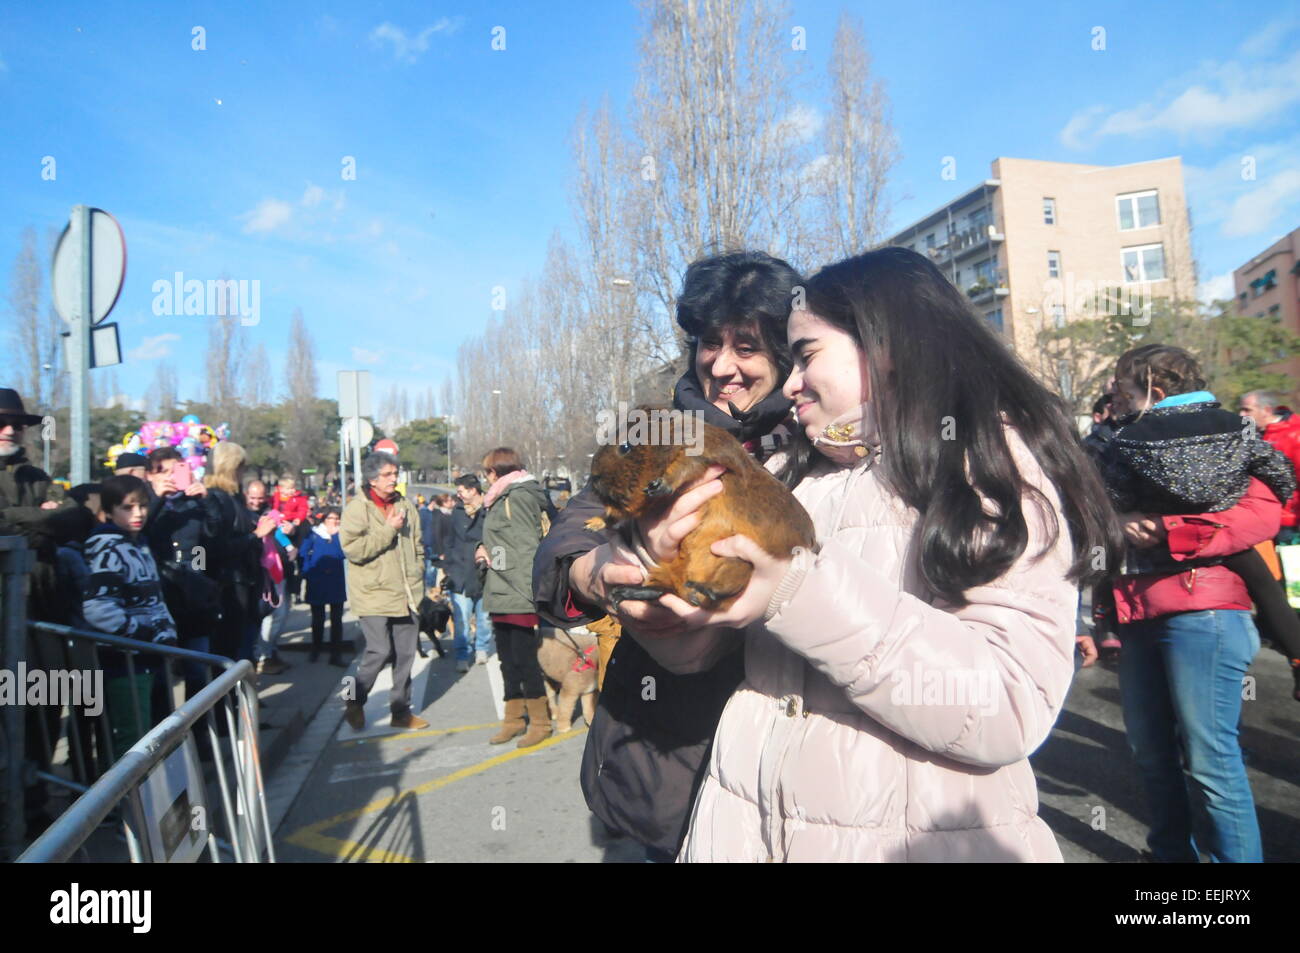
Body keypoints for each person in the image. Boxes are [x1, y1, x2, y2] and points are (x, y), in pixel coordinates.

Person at [594, 247, 1118, 862]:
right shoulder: (793, 473)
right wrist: (661, 606)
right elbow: (714, 652)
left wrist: (797, 591)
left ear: (888, 344)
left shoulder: (991, 463)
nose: (788, 384)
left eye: (807, 355)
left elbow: (1004, 706)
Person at [532, 249, 802, 860]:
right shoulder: (660, 432)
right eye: (711, 342)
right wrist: (597, 570)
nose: (723, 365)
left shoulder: (823, 439)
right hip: (658, 777)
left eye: (747, 346)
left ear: (788, 355)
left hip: (788, 773)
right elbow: (568, 536)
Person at [1106, 347, 1285, 862]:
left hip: (1203, 611)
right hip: (1135, 611)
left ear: (1156, 391)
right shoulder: (1116, 442)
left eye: (1124, 386)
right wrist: (1112, 523)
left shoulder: (1228, 437)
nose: (1116, 396)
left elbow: (1259, 516)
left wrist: (1169, 529)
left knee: (1210, 761)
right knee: (1150, 754)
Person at [82, 475, 179, 756]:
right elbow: (98, 607)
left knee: (154, 732)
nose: (138, 514)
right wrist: (141, 634)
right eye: (128, 507)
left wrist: (166, 632)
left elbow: (154, 599)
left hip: (151, 654)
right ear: (109, 511)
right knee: (131, 741)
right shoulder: (107, 547)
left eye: (143, 506)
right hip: (123, 659)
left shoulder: (141, 544)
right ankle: (125, 800)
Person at [339, 452, 429, 731]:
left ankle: (401, 711)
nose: (394, 479)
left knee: (405, 656)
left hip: (407, 592)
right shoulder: (357, 508)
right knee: (378, 652)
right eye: (388, 475)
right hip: (373, 593)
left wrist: (418, 571)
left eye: (395, 473)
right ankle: (354, 699)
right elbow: (353, 550)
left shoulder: (405, 505)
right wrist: (388, 530)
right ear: (372, 479)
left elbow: (417, 544)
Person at [479, 448, 552, 747]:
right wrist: (482, 551)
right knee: (507, 661)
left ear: (496, 471)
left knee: (524, 660)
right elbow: (501, 542)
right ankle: (512, 719)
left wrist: (527, 594)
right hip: (500, 588)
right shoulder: (500, 497)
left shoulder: (517, 497)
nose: (485, 478)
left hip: (517, 590)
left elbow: (528, 547)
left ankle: (540, 721)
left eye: (487, 472)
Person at [204, 443, 280, 662]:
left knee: (242, 647)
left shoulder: (232, 498)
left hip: (243, 581)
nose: (243, 473)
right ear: (231, 467)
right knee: (228, 652)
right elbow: (214, 547)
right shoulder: (216, 498)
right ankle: (229, 696)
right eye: (241, 467)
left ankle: (241, 694)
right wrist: (256, 535)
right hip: (229, 586)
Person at [444, 474, 493, 673]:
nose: (459, 495)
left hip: (484, 572)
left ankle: (481, 648)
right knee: (461, 618)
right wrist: (448, 566)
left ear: (473, 491)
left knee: (484, 617)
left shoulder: (489, 510)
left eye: (461, 491)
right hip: (460, 573)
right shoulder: (456, 512)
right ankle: (462, 654)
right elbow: (449, 540)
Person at [301, 506, 347, 666]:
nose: (334, 522)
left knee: (337, 620)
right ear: (324, 519)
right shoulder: (314, 534)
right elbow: (303, 554)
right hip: (317, 581)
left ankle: (336, 654)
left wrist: (335, 537)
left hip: (335, 581)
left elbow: (343, 554)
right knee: (317, 619)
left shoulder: (341, 535)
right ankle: (316, 649)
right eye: (331, 518)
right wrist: (307, 573)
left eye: (337, 519)